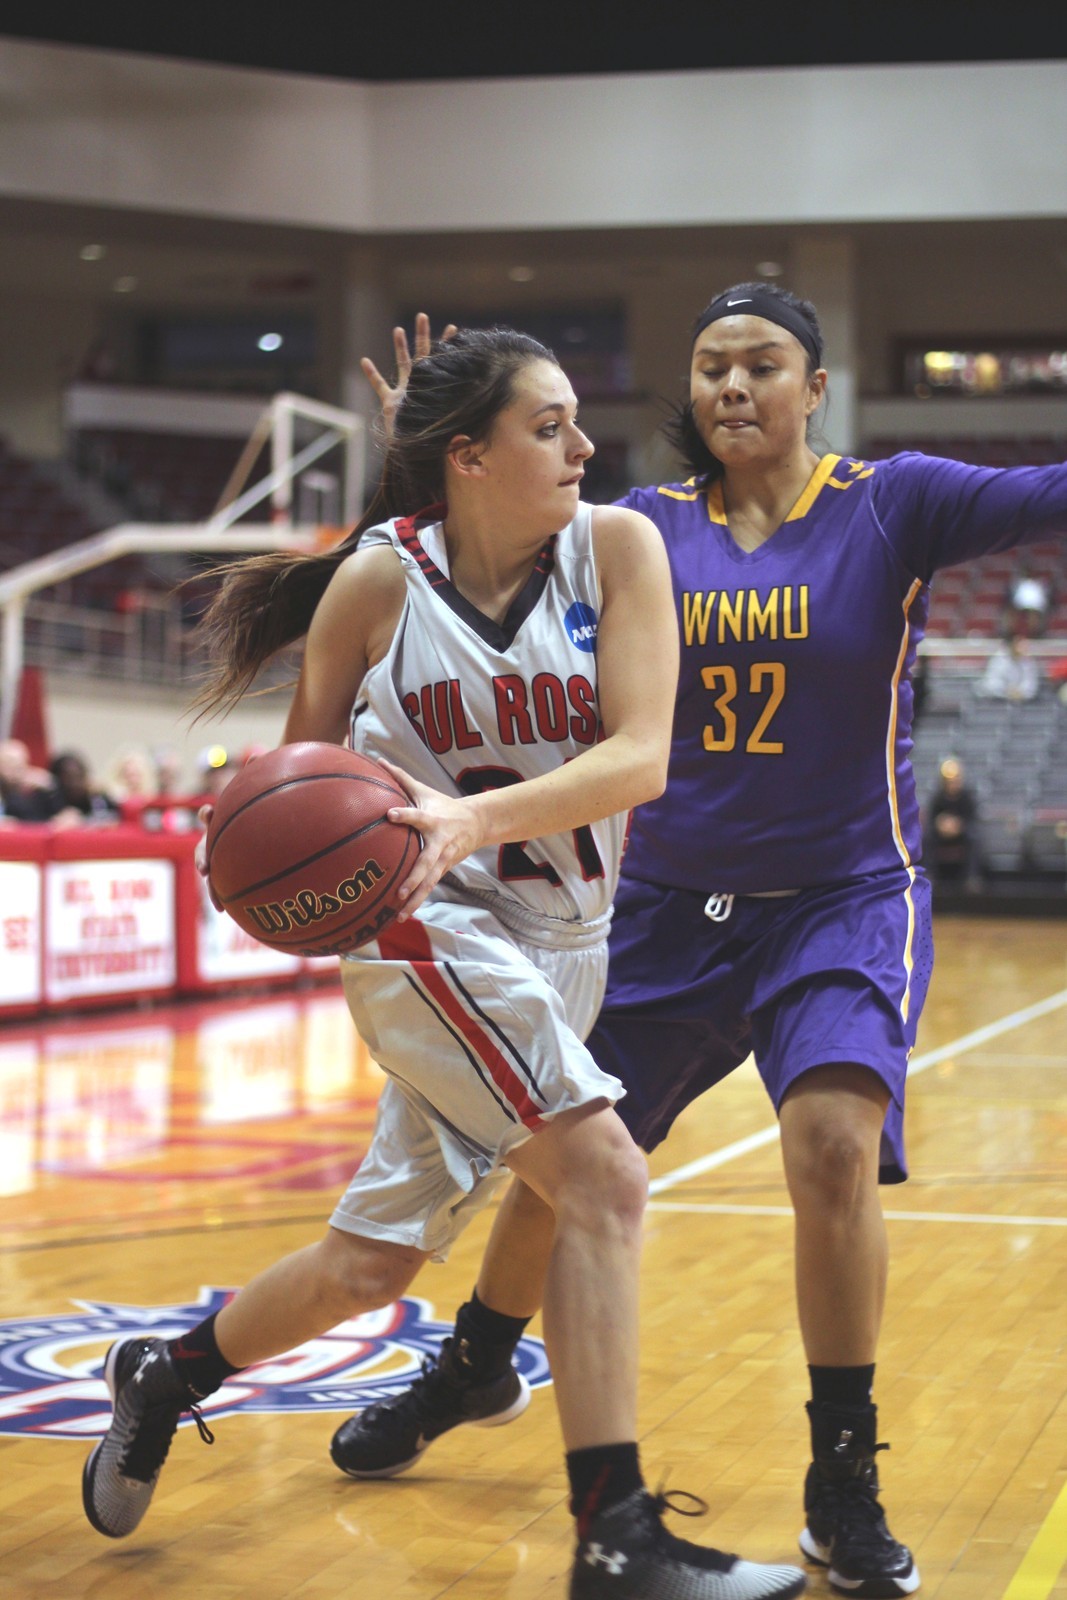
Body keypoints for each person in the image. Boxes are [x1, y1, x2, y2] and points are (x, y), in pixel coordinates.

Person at [341, 292, 1067, 1600]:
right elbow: (476, 534)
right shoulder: (634, 528)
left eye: (760, 365)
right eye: (709, 366)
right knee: (559, 1165)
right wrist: (418, 454)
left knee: (833, 1148)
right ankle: (473, 1363)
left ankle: (840, 1477)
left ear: (814, 386)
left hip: (840, 894)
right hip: (663, 901)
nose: (731, 385)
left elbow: (1046, 490)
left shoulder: (890, 500)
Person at [79, 327, 807, 1600]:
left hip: (568, 938)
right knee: (602, 1177)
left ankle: (168, 1371)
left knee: (372, 1262)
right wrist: (294, 866)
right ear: (466, 459)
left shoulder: (617, 550)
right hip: (422, 930)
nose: (585, 447)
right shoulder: (376, 586)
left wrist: (475, 813)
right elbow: (295, 786)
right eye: (549, 427)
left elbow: (642, 758)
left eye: (578, 423)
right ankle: (614, 1536)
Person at [926, 757, 981, 888]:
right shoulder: (938, 797)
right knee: (927, 838)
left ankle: (971, 877)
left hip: (961, 834)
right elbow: (932, 820)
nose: (952, 784)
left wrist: (958, 826)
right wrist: (941, 825)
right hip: (941, 835)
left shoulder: (967, 797)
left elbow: (972, 820)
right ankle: (929, 876)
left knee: (974, 837)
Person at [977, 633, 1041, 701]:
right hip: (996, 701)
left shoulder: (1028, 661)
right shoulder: (999, 658)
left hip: (1023, 701)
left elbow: (1031, 684)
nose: (1024, 647)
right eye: (1019, 644)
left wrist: (1021, 692)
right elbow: (991, 682)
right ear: (1012, 645)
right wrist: (1007, 691)